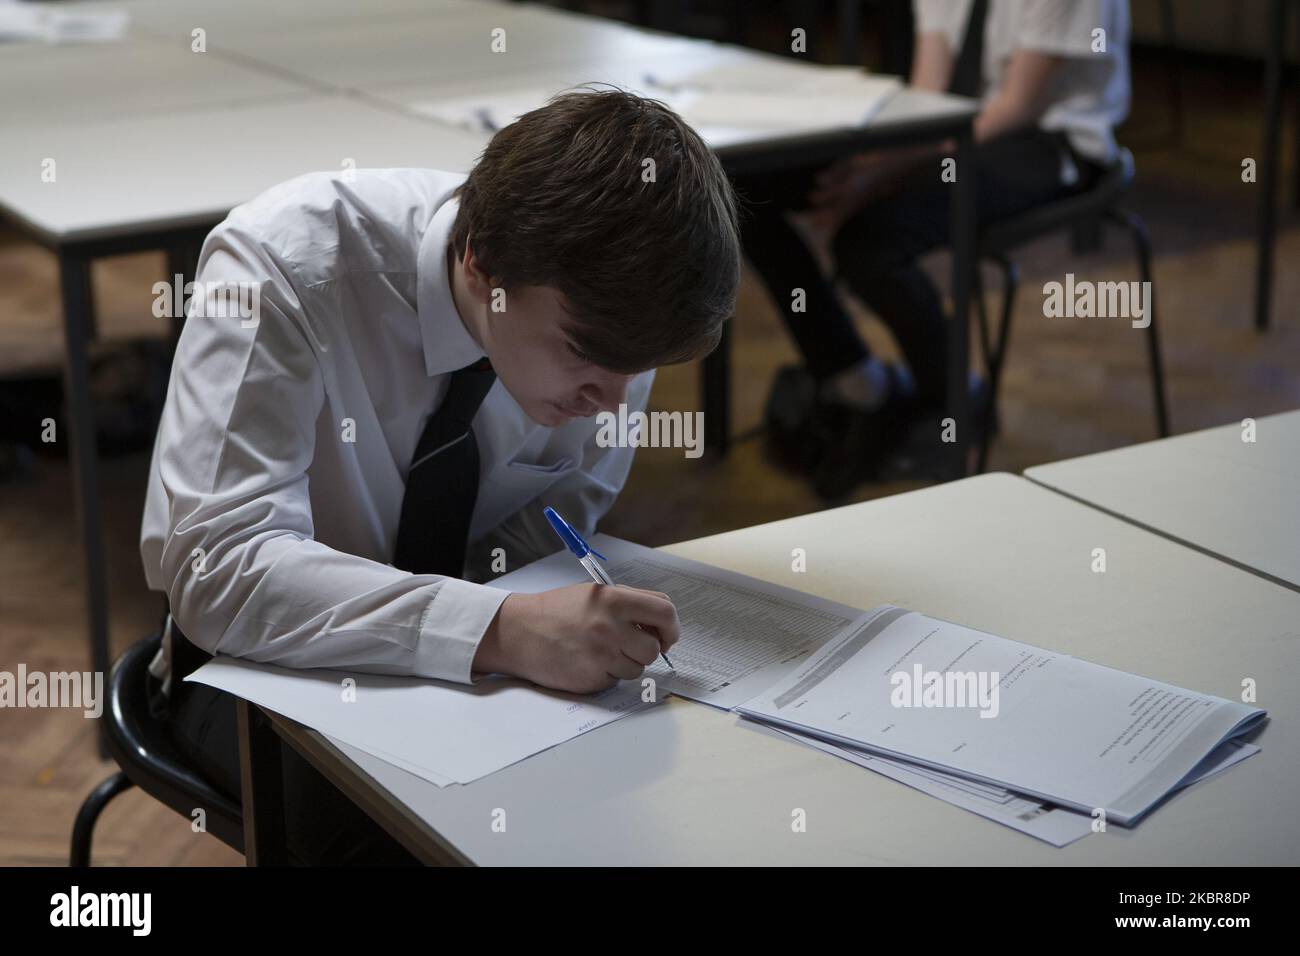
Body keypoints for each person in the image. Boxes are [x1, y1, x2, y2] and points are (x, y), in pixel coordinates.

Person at [139, 89, 740, 863]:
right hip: (260, 675)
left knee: (632, 801)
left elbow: (555, 521)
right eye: (586, 357)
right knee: (400, 839)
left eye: (644, 368)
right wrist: (498, 630)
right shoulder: (285, 265)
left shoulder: (616, 321)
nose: (615, 402)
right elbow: (215, 569)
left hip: (472, 682)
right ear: (479, 264)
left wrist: (522, 626)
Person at [737, 0, 1131, 496]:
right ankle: (856, 380)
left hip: (1049, 142)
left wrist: (880, 173)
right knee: (746, 180)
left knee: (869, 243)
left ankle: (956, 398)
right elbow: (928, 97)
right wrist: (873, 161)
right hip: (955, 133)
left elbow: (1017, 107)